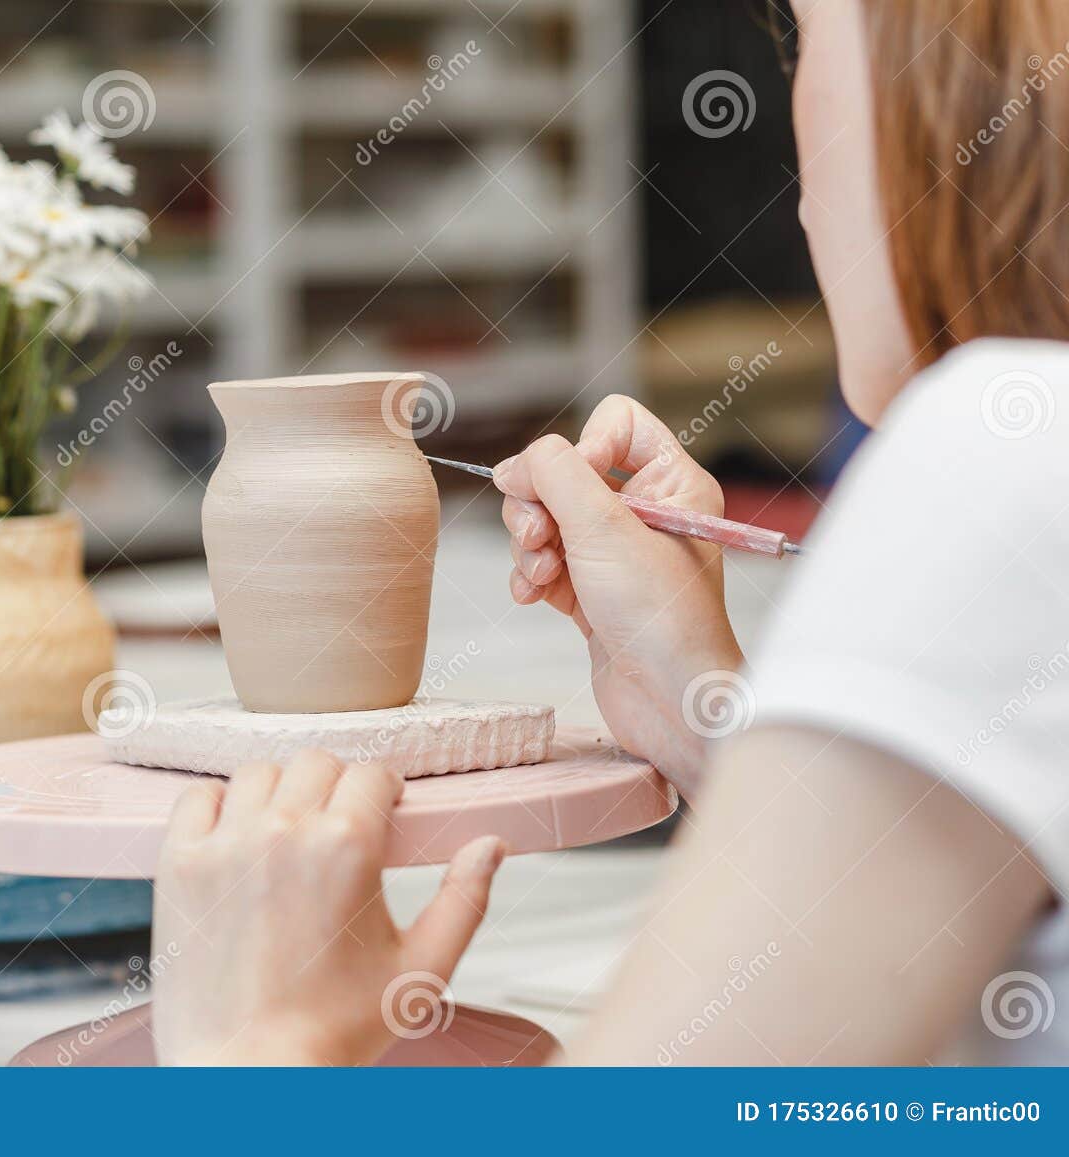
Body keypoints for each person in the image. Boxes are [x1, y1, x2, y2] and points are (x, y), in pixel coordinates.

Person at [150, 0, 1069, 1065]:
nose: (795, 153)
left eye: (802, 39)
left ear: (940, 86)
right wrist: (699, 695)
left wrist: (258, 1054)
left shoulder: (1009, 447)